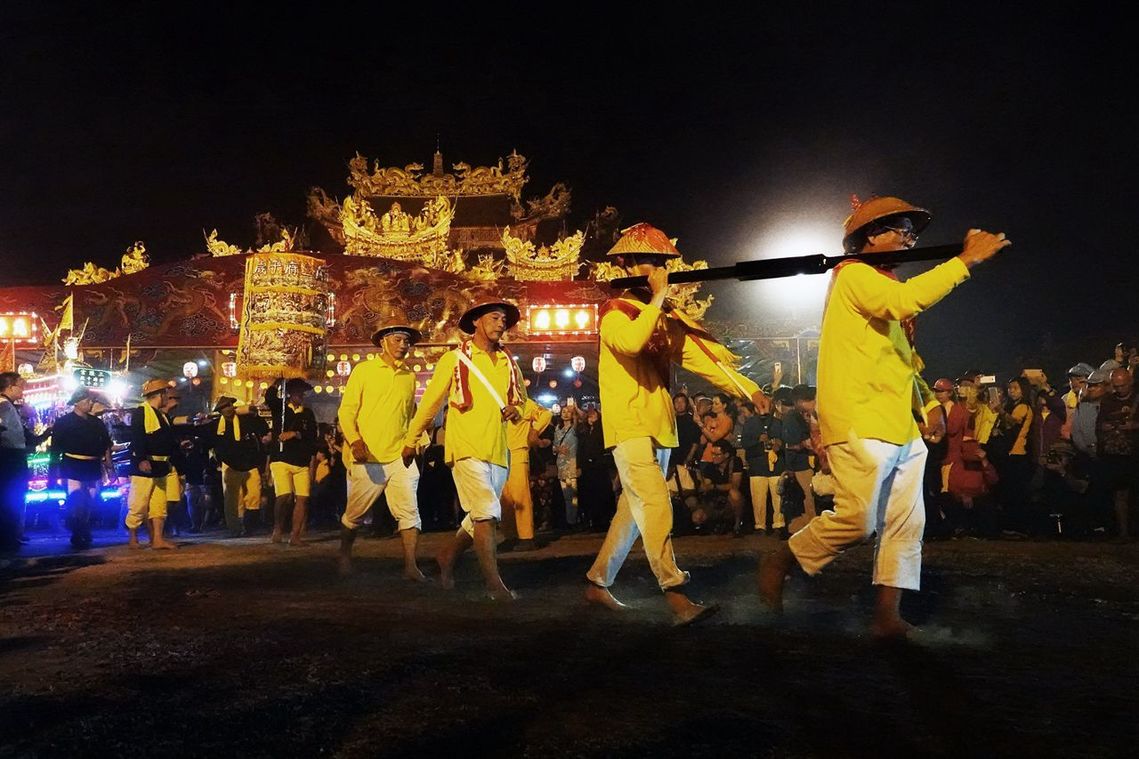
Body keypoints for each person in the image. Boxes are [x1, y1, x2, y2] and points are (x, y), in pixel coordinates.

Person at [758, 195, 1010, 637]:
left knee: (906, 523)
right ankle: (783, 558)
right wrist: (965, 261)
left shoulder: (882, 284)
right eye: (902, 231)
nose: (911, 240)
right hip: (859, 418)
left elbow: (904, 360)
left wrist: (927, 403)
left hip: (898, 423)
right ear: (871, 236)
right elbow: (907, 301)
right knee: (858, 522)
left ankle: (886, 616)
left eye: (913, 232)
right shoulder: (854, 275)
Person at [583, 223, 769, 625]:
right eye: (654, 262)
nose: (662, 269)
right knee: (654, 504)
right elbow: (631, 343)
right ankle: (676, 594)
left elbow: (703, 361)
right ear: (628, 264)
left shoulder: (662, 316)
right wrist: (659, 296)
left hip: (659, 426)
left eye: (665, 263)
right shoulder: (615, 312)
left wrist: (748, 390)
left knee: (632, 513)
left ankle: (597, 583)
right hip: (629, 425)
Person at [401, 302, 525, 600]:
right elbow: (430, 402)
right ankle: (495, 585)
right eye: (494, 318)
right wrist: (411, 439)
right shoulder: (454, 359)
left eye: (504, 320)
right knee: (485, 513)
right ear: (477, 322)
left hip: (498, 449)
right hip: (465, 447)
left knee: (479, 517)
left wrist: (516, 409)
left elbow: (523, 401)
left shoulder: (508, 360)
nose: (500, 324)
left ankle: (447, 555)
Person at [337, 323, 426, 579]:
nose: (403, 345)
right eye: (398, 339)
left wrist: (415, 442)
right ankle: (344, 555)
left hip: (400, 457)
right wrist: (355, 441)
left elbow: (411, 415)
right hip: (369, 456)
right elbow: (347, 410)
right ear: (384, 341)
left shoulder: (409, 377)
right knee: (354, 514)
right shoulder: (364, 370)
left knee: (410, 512)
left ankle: (411, 565)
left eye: (407, 341)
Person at [49, 387, 114, 549]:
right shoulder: (64, 422)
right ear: (76, 402)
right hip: (73, 464)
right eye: (87, 400)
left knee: (90, 499)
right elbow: (55, 448)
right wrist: (53, 470)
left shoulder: (97, 423)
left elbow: (106, 444)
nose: (90, 403)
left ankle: (83, 527)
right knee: (76, 500)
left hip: (92, 464)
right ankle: (78, 531)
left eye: (92, 401)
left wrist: (109, 464)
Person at [125, 379, 179, 549]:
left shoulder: (162, 415)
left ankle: (157, 539)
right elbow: (137, 437)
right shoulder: (141, 413)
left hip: (161, 466)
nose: (167, 398)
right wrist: (141, 459)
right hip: (146, 466)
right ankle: (133, 538)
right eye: (166, 394)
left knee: (158, 505)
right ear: (160, 395)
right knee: (139, 503)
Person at [266, 378, 318, 546]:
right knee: (284, 495)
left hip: (301, 461)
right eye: (297, 392)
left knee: (302, 498)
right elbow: (269, 397)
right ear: (290, 393)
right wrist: (276, 381)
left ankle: (295, 535)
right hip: (281, 459)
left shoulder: (307, 414)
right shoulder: (279, 408)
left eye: (301, 393)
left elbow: (312, 437)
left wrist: (296, 434)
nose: (300, 396)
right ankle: (278, 527)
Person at [209, 395, 269, 537]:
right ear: (220, 411)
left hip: (249, 463)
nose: (228, 408)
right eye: (224, 407)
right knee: (233, 498)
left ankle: (249, 525)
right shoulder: (216, 425)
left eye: (229, 405)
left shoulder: (246, 419)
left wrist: (256, 416)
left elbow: (262, 426)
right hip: (229, 464)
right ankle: (235, 528)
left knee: (254, 495)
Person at [500, 397, 553, 551]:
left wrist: (534, 431)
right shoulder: (499, 402)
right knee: (506, 500)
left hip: (518, 453)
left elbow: (546, 414)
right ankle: (510, 536)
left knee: (520, 497)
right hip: (501, 455)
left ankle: (526, 537)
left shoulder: (524, 403)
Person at [1096, 367, 1137, 540]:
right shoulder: (1107, 401)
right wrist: (1105, 427)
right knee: (1120, 494)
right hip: (1116, 455)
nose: (1119, 389)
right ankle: (1123, 532)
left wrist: (1134, 426)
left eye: (1122, 386)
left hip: (1135, 452)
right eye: (1116, 386)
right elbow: (1098, 425)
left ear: (1130, 382)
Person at [741, 395, 786, 536]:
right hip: (757, 465)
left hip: (776, 464)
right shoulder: (750, 424)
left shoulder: (778, 423)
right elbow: (745, 444)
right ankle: (760, 525)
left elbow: (784, 441)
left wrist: (777, 443)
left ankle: (778, 524)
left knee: (778, 497)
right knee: (758, 498)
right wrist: (758, 440)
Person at [575, 405, 615, 531]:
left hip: (599, 466)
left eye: (594, 416)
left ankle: (604, 519)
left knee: (602, 493)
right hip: (587, 467)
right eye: (590, 416)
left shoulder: (600, 430)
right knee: (590, 494)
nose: (591, 418)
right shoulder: (585, 431)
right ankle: (593, 520)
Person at [552, 405, 580, 527]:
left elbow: (577, 422)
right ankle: (569, 519)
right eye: (563, 412)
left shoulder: (574, 429)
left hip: (571, 464)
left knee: (572, 494)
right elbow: (553, 447)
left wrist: (575, 410)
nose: (565, 414)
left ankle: (573, 519)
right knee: (566, 495)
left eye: (568, 412)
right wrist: (557, 449)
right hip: (561, 465)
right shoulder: (558, 429)